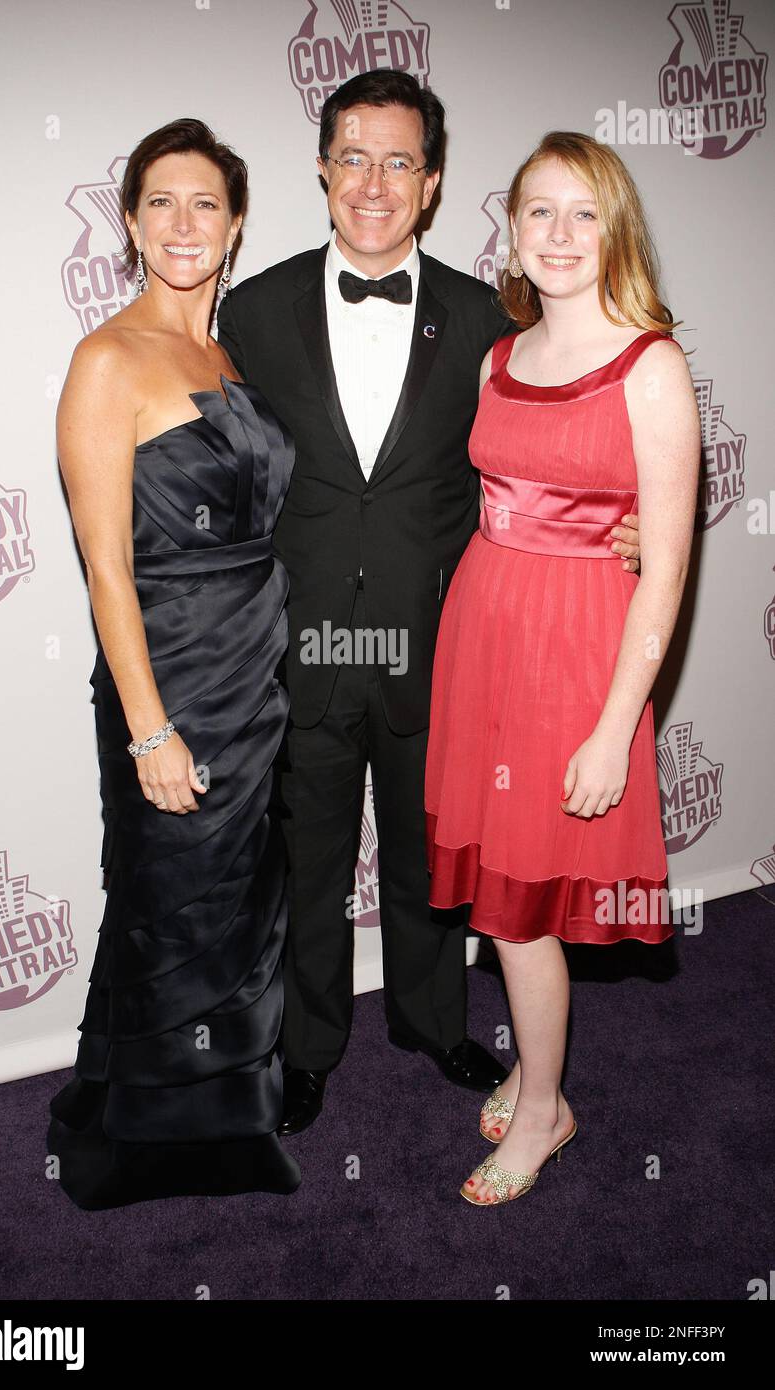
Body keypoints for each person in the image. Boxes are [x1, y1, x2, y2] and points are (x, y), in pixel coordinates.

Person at [217, 74, 643, 1136]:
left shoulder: (488, 318)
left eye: (399, 161)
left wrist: (628, 525)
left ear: (434, 180)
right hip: (301, 643)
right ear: (322, 169)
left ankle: (434, 1021)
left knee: (432, 860)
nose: (374, 183)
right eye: (354, 158)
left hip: (444, 648)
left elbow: (559, 439)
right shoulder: (253, 310)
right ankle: (308, 1049)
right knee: (307, 864)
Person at [424, 131, 700, 1206]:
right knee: (500, 885)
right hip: (485, 634)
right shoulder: (501, 357)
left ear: (615, 228)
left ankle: (543, 1109)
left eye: (584, 212)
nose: (559, 233)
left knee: (518, 906)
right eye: (538, 209)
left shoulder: (651, 365)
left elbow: (665, 568)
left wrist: (613, 726)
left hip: (577, 655)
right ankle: (535, 1077)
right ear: (511, 229)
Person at [47, 118, 301, 1208]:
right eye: (161, 202)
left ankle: (219, 1105)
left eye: (206, 203)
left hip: (255, 668)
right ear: (131, 223)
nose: (184, 223)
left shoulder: (224, 355)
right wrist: (149, 728)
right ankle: (161, 1139)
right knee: (173, 897)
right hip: (172, 674)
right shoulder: (107, 359)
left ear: (235, 224)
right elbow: (105, 569)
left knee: (238, 896)